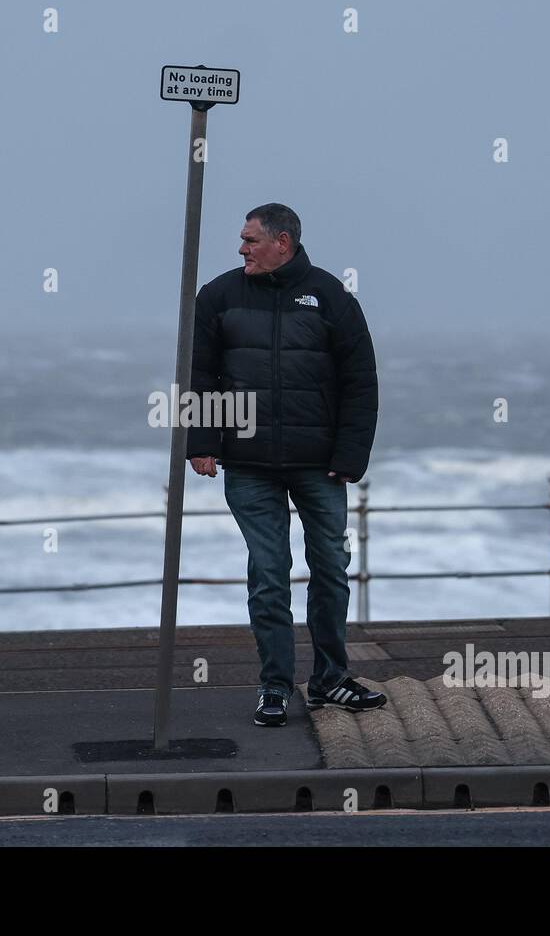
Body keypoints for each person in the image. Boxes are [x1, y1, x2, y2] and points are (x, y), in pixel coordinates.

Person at [186, 203, 386, 727]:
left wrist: (349, 456)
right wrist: (200, 443)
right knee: (269, 574)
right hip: (247, 463)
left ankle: (329, 680)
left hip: (320, 465)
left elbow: (360, 381)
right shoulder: (219, 295)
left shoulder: (330, 296)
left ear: (283, 243)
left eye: (251, 240)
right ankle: (274, 686)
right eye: (242, 241)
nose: (242, 249)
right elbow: (199, 374)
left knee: (331, 572)